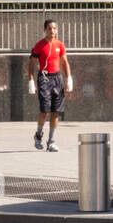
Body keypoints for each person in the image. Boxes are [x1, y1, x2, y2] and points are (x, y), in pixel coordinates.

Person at [27, 19, 73, 151]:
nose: (52, 31)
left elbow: (64, 63)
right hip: (45, 77)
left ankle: (51, 141)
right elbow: (31, 64)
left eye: (54, 28)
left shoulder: (60, 45)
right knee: (44, 110)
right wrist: (31, 81)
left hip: (57, 78)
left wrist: (69, 78)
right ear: (45, 30)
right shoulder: (39, 45)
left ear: (56, 30)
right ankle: (38, 135)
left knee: (56, 111)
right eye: (49, 28)